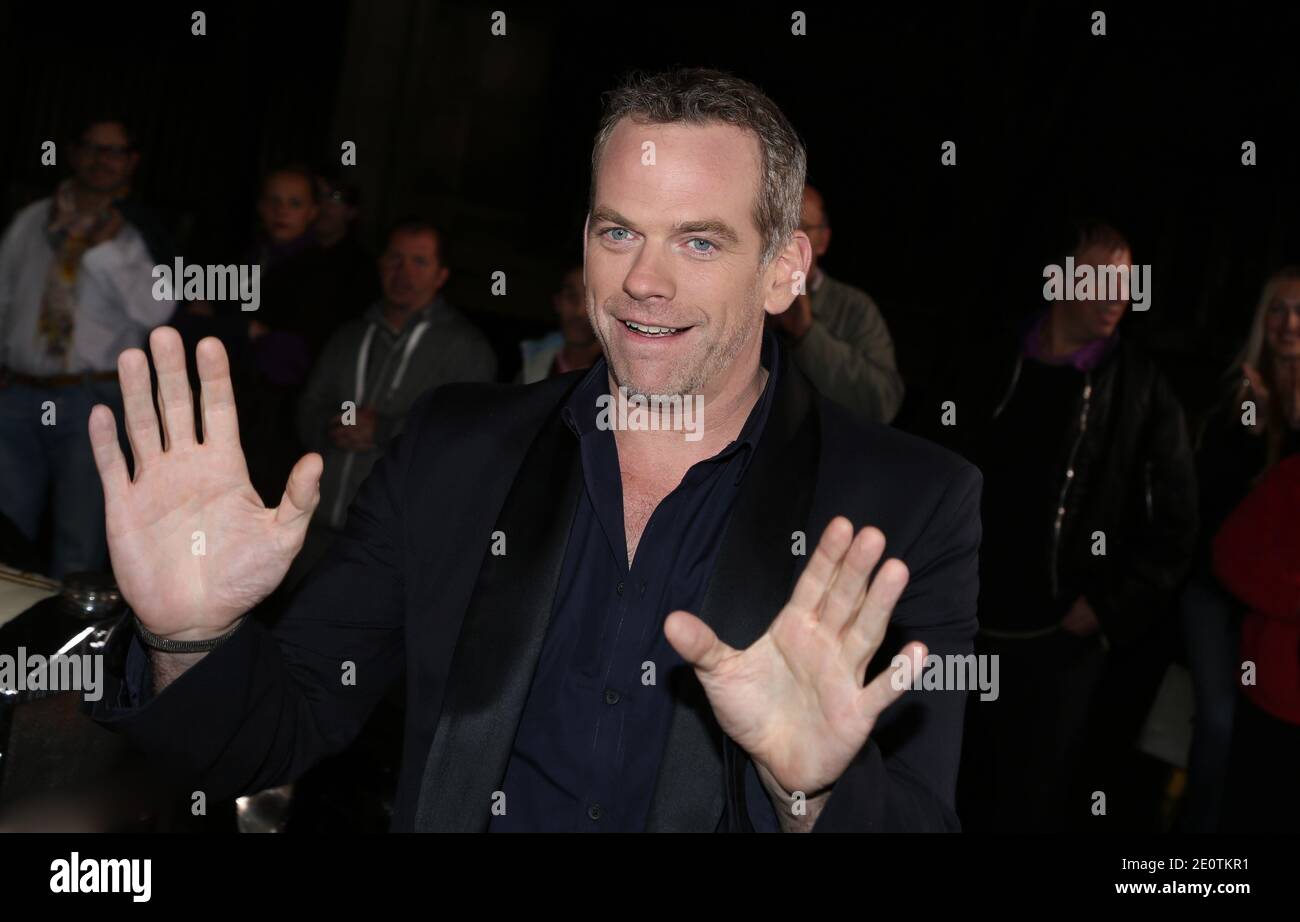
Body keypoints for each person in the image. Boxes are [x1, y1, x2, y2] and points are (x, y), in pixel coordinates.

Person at [85, 68, 981, 832]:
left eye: (698, 241)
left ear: (784, 269)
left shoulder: (907, 508)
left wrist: (812, 790)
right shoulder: (454, 450)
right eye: (617, 230)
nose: (642, 280)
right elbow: (274, 731)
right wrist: (188, 637)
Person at [939, 222, 1197, 832]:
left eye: (1128, 283)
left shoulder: (1144, 390)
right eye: (1102, 277)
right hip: (957, 624)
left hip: (1054, 643)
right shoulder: (989, 355)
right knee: (941, 785)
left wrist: (1108, 607)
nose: (1118, 295)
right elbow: (927, 458)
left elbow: (1177, 527)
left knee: (1026, 800)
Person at [0, 117, 175, 578]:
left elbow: (156, 311)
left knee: (80, 542)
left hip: (91, 400)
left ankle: (68, 650)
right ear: (75, 154)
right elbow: (3, 294)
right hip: (16, 396)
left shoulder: (140, 231)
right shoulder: (33, 219)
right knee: (5, 536)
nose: (102, 159)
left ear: (131, 162)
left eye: (115, 151)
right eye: (93, 148)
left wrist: (101, 248)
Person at [288, 217, 496, 590]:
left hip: (395, 553)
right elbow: (308, 407)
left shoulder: (466, 349)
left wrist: (385, 430)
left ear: (441, 275)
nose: (403, 272)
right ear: (381, 264)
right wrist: (330, 425)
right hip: (315, 542)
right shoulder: (349, 336)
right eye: (395, 258)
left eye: (419, 262)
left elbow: (469, 440)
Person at [1178, 266, 1300, 831]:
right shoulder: (1239, 389)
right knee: (1222, 720)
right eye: (1277, 309)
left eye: (1299, 310)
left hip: (1272, 601)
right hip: (1217, 586)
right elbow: (1210, 499)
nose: (1289, 322)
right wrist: (1254, 424)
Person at [768, 183, 904, 424]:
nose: (786, 243)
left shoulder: (854, 307)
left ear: (822, 241)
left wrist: (807, 334)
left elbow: (882, 403)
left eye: (801, 229)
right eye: (779, 226)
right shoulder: (741, 296)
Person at [516, 265, 602, 384]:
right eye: (572, 297)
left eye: (593, 299)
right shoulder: (530, 368)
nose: (580, 311)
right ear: (557, 302)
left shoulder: (622, 378)